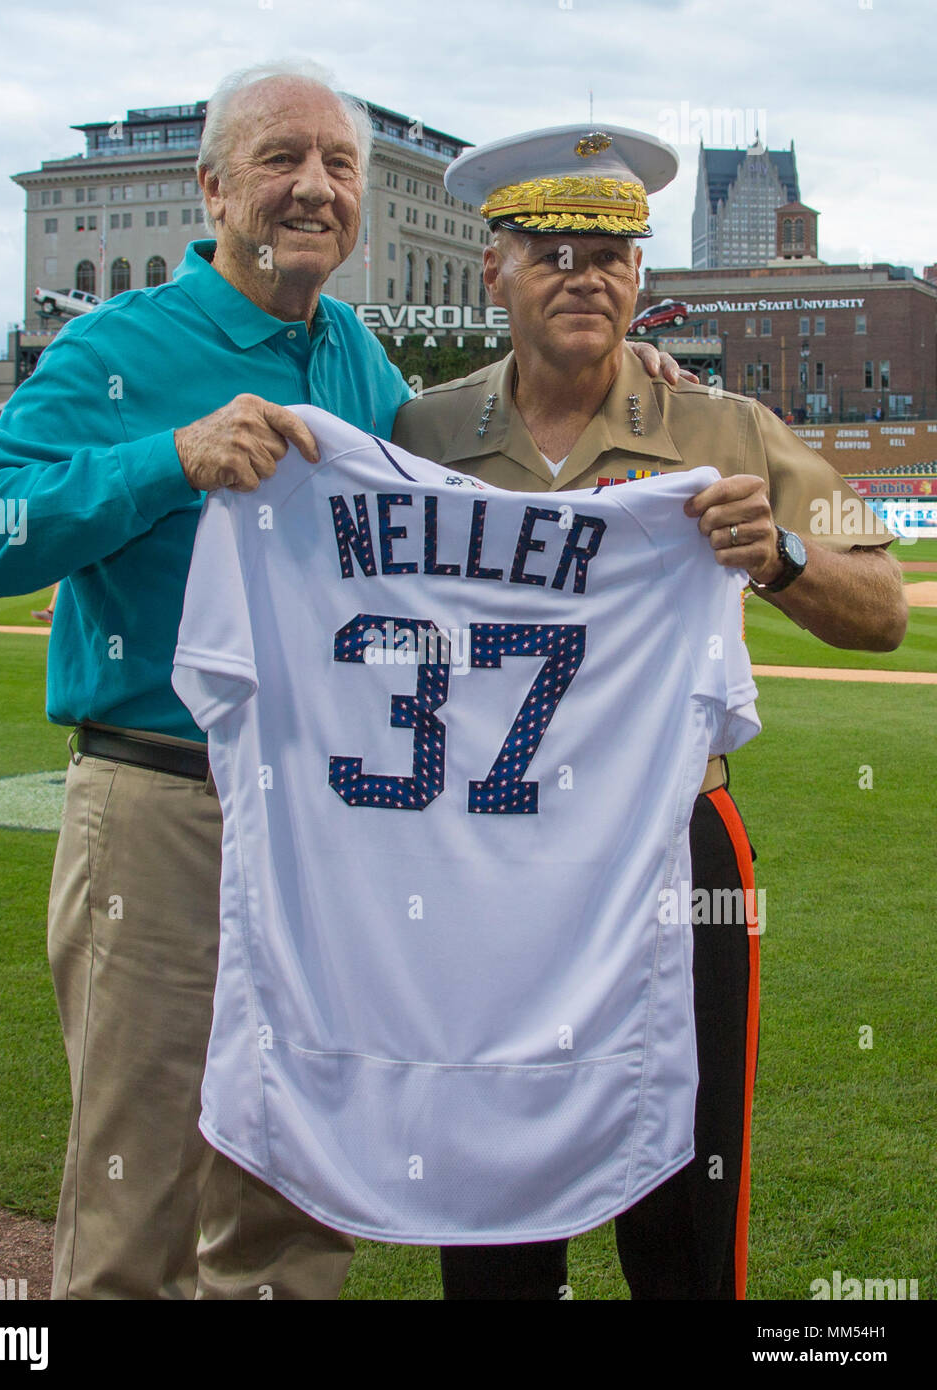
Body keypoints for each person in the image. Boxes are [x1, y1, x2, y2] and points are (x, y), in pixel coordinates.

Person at [0, 69, 679, 1301]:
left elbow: (457, 536)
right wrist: (166, 458)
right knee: (138, 1201)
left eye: (338, 166)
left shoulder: (359, 360)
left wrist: (637, 387)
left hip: (329, 828)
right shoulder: (118, 347)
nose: (314, 188)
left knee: (291, 1201)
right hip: (164, 803)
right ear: (212, 187)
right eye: (282, 159)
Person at [391, 123, 908, 1300]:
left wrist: (777, 558)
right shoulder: (423, 437)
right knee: (489, 1202)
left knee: (683, 1192)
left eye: (609, 249)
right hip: (485, 854)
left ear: (639, 275)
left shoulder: (719, 428)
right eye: (549, 248)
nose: (583, 272)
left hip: (672, 844)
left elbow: (879, 605)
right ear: (494, 269)